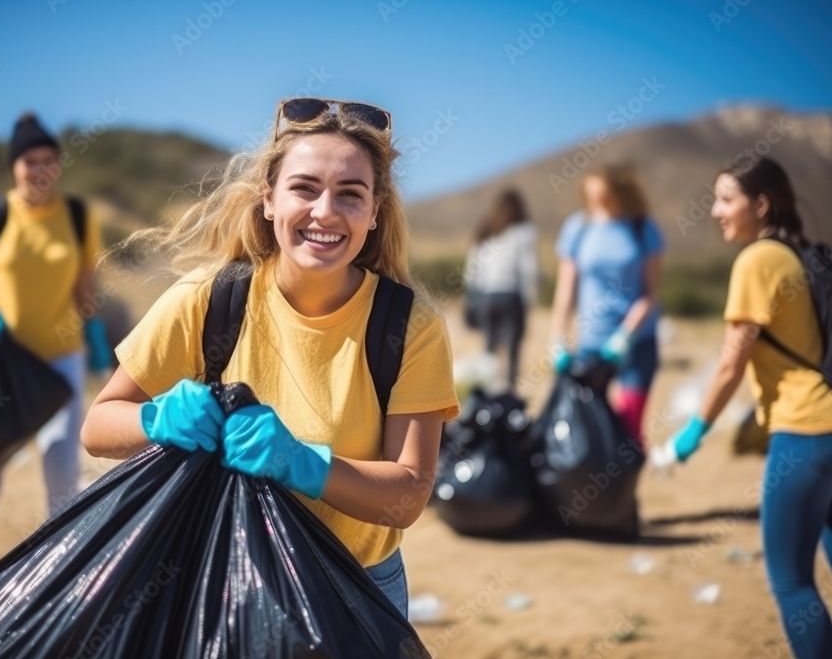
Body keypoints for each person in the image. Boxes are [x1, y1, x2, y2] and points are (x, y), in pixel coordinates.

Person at [80, 97, 460, 617]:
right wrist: (155, 418)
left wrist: (301, 462)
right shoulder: (208, 300)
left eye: (351, 195)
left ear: (374, 213)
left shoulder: (410, 326)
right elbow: (98, 427)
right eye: (304, 188)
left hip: (356, 592)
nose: (325, 212)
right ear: (269, 200)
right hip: (224, 579)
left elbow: (408, 496)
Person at [669, 157, 832, 658]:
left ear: (760, 205)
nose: (715, 211)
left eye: (726, 199)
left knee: (791, 581)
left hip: (803, 433)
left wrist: (694, 431)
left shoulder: (757, 260)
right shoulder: (800, 254)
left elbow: (730, 363)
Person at [0, 113, 110, 598]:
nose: (40, 170)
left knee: (62, 469)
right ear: (13, 166)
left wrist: (96, 336)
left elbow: (87, 289)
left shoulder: (78, 216)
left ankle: (64, 587)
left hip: (59, 360)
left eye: (49, 161)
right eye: (29, 161)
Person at [549, 164, 664, 449]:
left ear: (620, 193)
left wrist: (625, 336)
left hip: (637, 343)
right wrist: (557, 338)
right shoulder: (579, 228)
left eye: (603, 195)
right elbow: (565, 290)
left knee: (629, 426)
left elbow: (649, 293)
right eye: (591, 195)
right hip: (591, 343)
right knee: (587, 427)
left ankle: (626, 490)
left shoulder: (643, 229)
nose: (597, 201)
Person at [463, 188, 537, 392]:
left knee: (488, 349)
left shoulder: (487, 233)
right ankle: (510, 397)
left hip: (486, 297)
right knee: (513, 349)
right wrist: (529, 301)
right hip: (510, 296)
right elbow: (528, 270)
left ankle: (486, 396)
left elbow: (472, 270)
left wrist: (471, 300)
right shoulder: (523, 232)